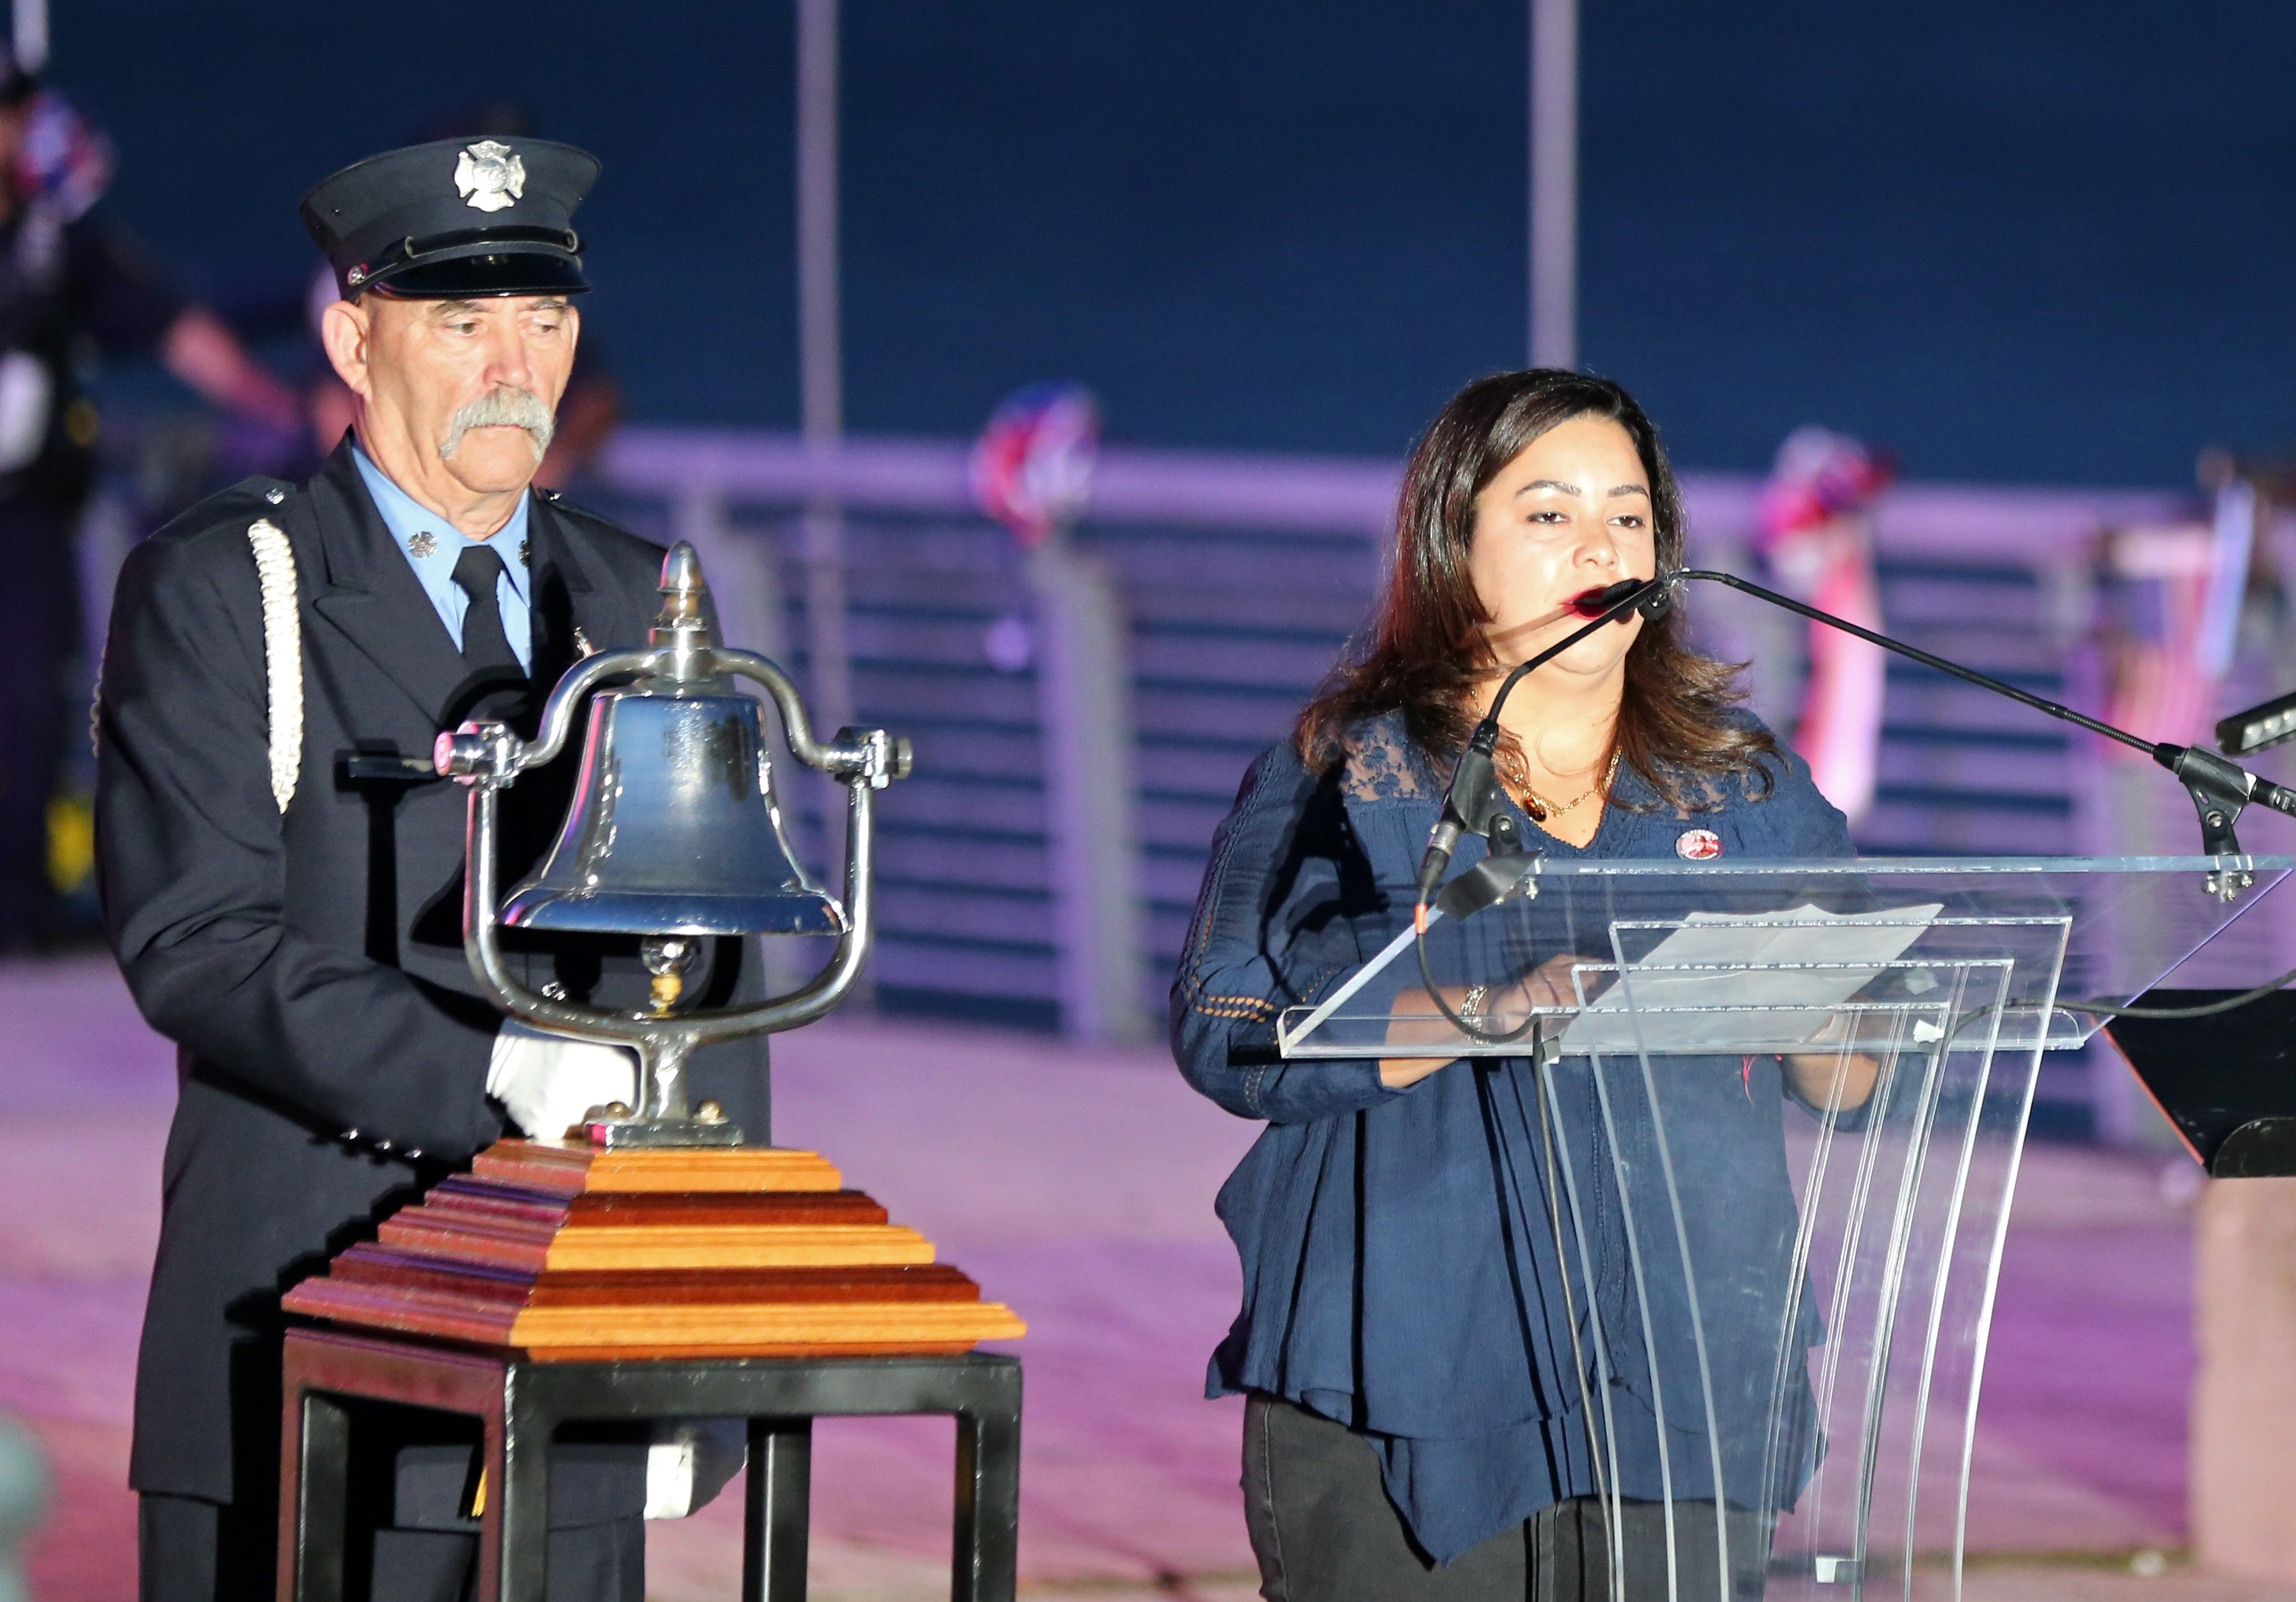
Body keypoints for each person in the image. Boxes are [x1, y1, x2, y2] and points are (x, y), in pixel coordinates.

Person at [95, 137, 762, 1601]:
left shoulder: (639, 596)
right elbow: (196, 939)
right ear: (350, 341)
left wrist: (691, 1336)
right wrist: (491, 1070)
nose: (511, 367)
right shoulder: (227, 584)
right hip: (304, 1335)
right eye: (461, 324)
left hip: (570, 1338)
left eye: (544, 320)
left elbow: (706, 975)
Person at [1170, 370, 1866, 1600]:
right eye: (1548, 513)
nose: (1600, 541)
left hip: (1684, 1372)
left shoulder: (1740, 784)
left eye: (1630, 514)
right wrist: (1495, 1007)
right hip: (1407, 1373)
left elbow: (1856, 1073)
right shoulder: (1349, 768)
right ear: (1456, 545)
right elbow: (1227, 1028)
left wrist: (1825, 1016)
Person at [0, 53, 298, 953]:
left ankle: (18, 904)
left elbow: (178, 332)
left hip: (24, 519)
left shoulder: (58, 244)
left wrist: (287, 413)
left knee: (27, 704)